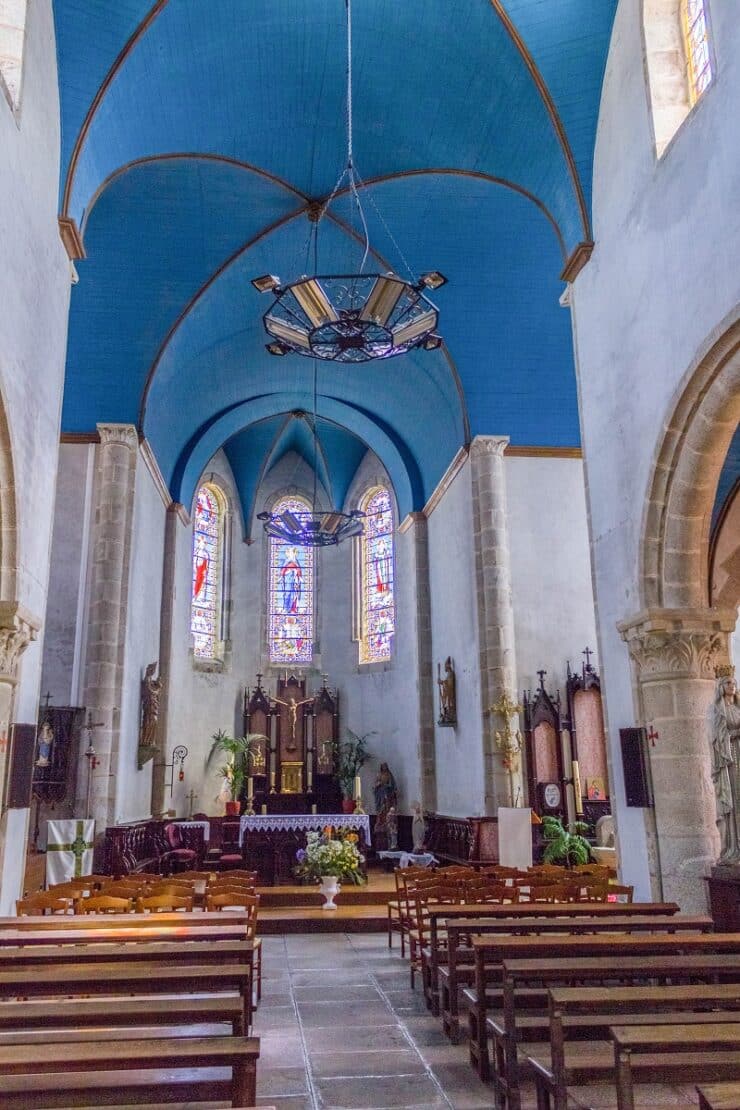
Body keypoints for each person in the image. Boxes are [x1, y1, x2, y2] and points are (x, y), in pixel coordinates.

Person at [712, 671, 740, 862]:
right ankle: (733, 846)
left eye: (734, 682)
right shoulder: (719, 711)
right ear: (721, 687)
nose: (732, 686)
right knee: (734, 799)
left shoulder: (738, 708)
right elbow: (718, 738)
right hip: (730, 758)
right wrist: (735, 733)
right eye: (728, 682)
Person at [140, 662, 162, 749]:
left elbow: (153, 689)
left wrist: (158, 685)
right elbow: (150, 691)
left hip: (153, 707)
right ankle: (146, 740)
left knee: (154, 722)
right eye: (152, 670)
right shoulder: (147, 680)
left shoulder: (150, 681)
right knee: (149, 722)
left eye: (153, 670)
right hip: (149, 708)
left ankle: (150, 741)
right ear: (148, 670)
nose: (153, 671)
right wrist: (158, 689)